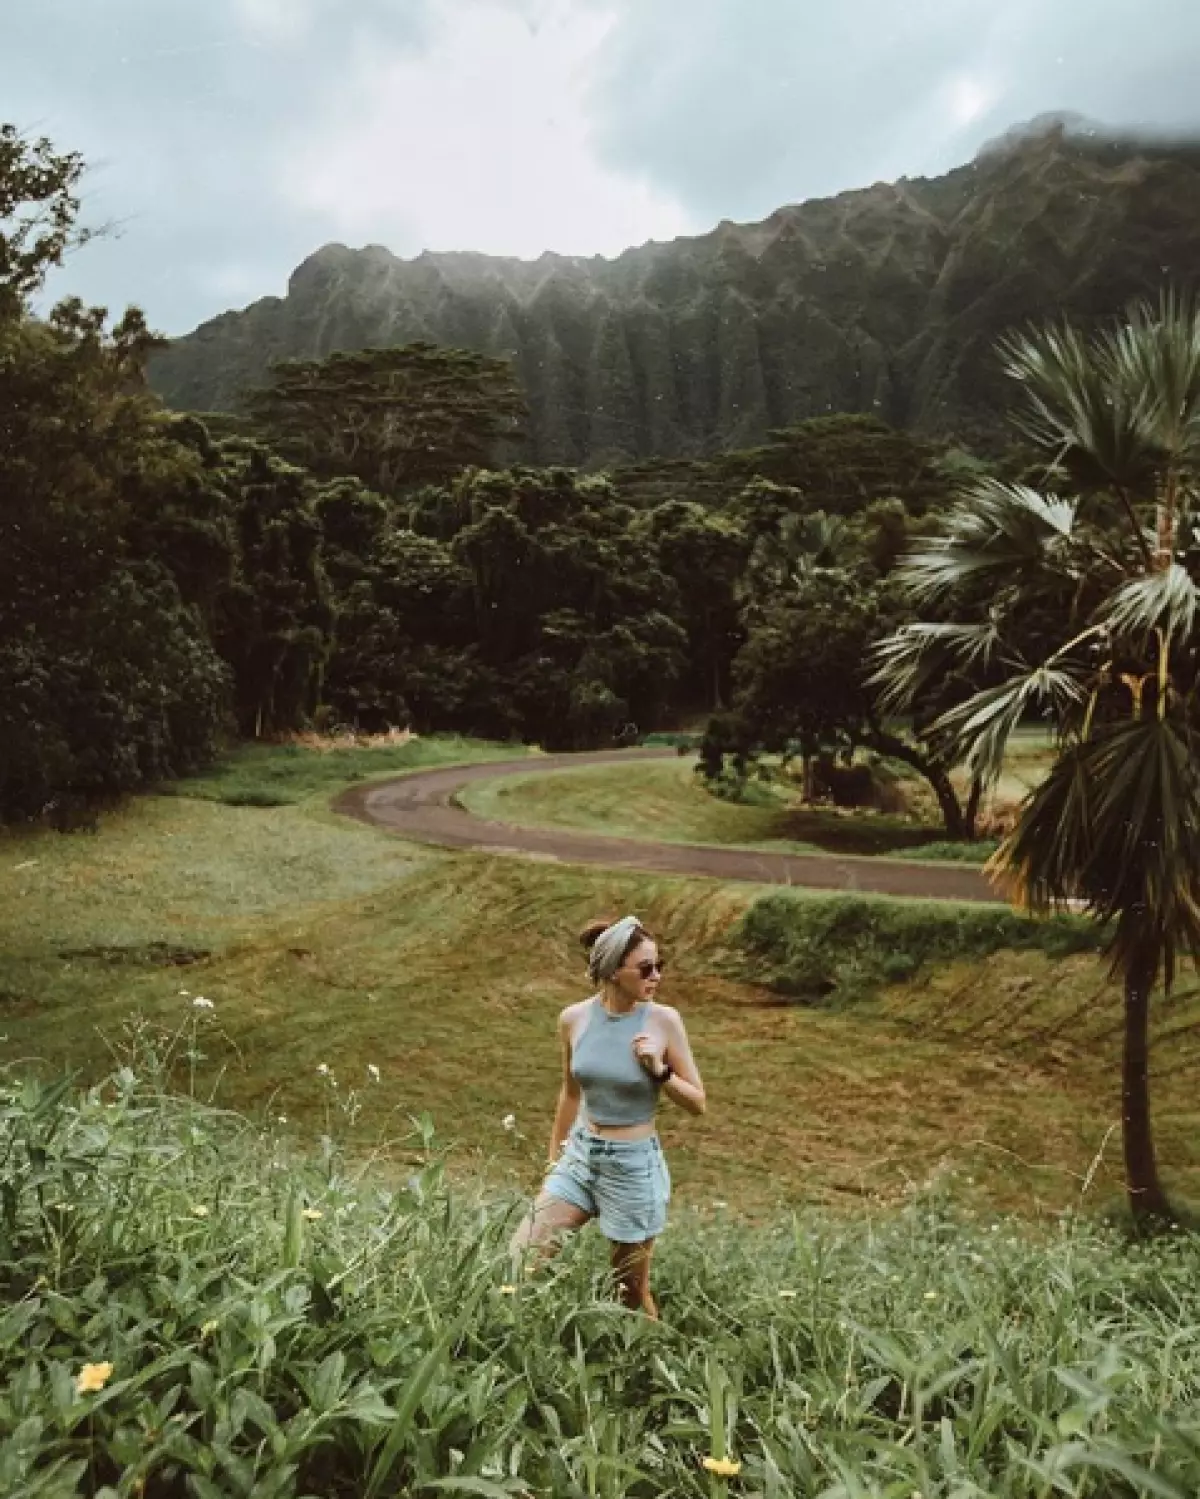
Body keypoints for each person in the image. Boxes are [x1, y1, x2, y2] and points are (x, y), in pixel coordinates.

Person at [509, 914, 706, 1318]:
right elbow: (570, 1094)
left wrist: (659, 1070)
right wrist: (554, 1161)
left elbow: (697, 1103)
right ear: (615, 970)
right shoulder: (574, 1019)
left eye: (659, 966)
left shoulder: (664, 1022)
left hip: (632, 1167)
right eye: (646, 968)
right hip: (580, 1160)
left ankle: (654, 1368)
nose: (657, 977)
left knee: (629, 1294)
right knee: (518, 1261)